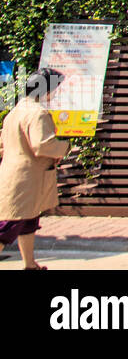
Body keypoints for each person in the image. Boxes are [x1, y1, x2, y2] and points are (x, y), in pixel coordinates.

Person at [0, 68, 70, 270]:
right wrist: (65, 146)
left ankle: (30, 264)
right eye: (56, 88)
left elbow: (3, 145)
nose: (56, 93)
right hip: (26, 178)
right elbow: (42, 145)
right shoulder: (37, 113)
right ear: (46, 90)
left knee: (28, 222)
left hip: (13, 173)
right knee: (9, 225)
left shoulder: (16, 111)